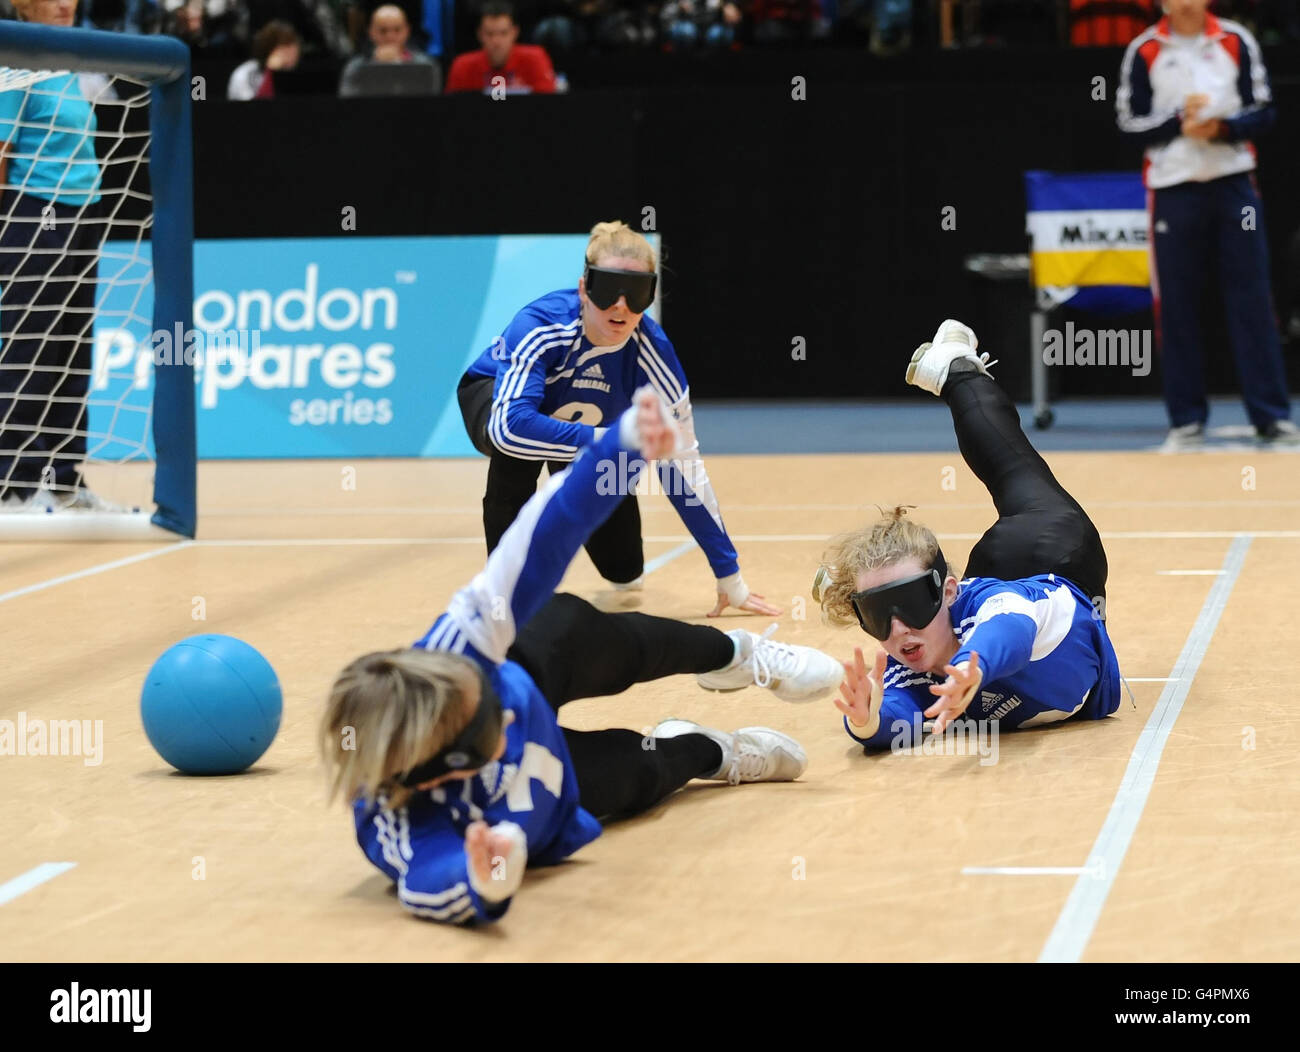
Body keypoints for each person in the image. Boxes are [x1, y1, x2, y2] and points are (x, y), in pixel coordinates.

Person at [320, 388, 844, 924]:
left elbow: (541, 539)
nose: (497, 715)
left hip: (526, 672)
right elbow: (428, 877)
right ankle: (719, 753)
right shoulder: (399, 819)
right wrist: (487, 878)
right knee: (642, 769)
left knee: (581, 627)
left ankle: (733, 654)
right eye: (478, 728)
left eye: (481, 702)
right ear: (427, 774)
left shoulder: (458, 650)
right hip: (549, 790)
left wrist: (620, 447)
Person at [816, 321, 1124, 747]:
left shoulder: (1001, 610)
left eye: (906, 603)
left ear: (946, 592)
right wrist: (867, 720)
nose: (899, 628)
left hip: (1050, 548)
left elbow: (1008, 631)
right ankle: (861, 580)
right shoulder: (906, 662)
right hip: (973, 597)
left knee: (1011, 464)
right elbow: (898, 717)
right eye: (877, 614)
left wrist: (970, 668)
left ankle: (955, 372)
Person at [457, 220, 779, 618]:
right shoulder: (541, 325)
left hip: (587, 422)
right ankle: (506, 593)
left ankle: (613, 543)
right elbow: (509, 430)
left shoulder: (654, 355)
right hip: (500, 402)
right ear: (583, 288)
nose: (621, 307)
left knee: (624, 569)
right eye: (608, 289)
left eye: (637, 293)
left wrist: (730, 577)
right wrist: (605, 439)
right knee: (516, 458)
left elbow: (683, 467)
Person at [1116, 0, 1298, 449]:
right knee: (1176, 305)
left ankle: (1272, 417)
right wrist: (1179, 122)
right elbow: (1127, 121)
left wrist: (1221, 128)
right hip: (1172, 187)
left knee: (1252, 300)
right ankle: (1186, 420)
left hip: (1234, 185)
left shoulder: (1235, 40)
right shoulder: (1144, 49)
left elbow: (1266, 110)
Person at [0, 0, 117, 511]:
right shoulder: (13, 63)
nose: (65, 2)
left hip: (83, 214)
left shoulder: (70, 61)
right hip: (33, 214)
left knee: (72, 349)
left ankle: (66, 480)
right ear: (22, 6)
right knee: (29, 348)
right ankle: (13, 485)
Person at [445, 1, 557, 95]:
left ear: (514, 32)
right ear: (480, 34)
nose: (496, 41)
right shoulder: (463, 66)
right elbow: (453, 109)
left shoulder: (535, 59)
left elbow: (547, 105)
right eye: (490, 34)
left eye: (503, 33)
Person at [338, 4, 437, 95]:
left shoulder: (426, 65)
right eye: (383, 31)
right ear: (371, 32)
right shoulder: (355, 68)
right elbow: (348, 104)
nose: (390, 36)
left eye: (397, 30)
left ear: (407, 31)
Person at [227, 20, 302, 100]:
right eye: (285, 48)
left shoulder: (296, 75)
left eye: (294, 48)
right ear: (269, 49)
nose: (292, 55)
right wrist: (270, 71)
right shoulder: (244, 74)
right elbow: (256, 109)